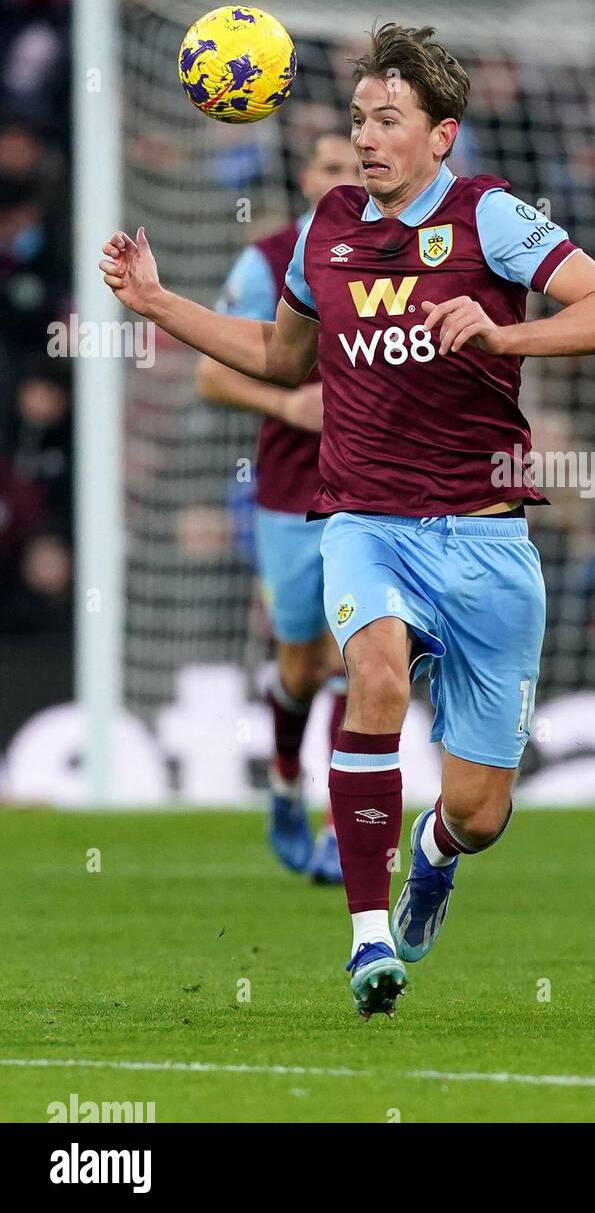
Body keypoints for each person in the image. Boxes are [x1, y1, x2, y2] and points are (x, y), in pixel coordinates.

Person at [100, 23, 595, 1018]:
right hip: (366, 520)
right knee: (376, 675)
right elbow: (276, 353)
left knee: (480, 813)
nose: (366, 137)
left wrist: (502, 327)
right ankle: (366, 938)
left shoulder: (493, 220)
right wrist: (157, 301)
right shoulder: (328, 228)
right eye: (357, 119)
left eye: (388, 119)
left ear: (442, 135)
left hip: (486, 537)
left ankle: (433, 859)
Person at [196, 131, 359, 885]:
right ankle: (286, 784)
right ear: (305, 175)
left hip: (377, 489)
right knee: (300, 663)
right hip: (292, 491)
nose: (345, 178)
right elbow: (212, 375)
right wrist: (288, 405)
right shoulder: (269, 259)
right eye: (331, 166)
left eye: (357, 166)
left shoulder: (406, 255)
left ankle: (341, 827)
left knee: (357, 659)